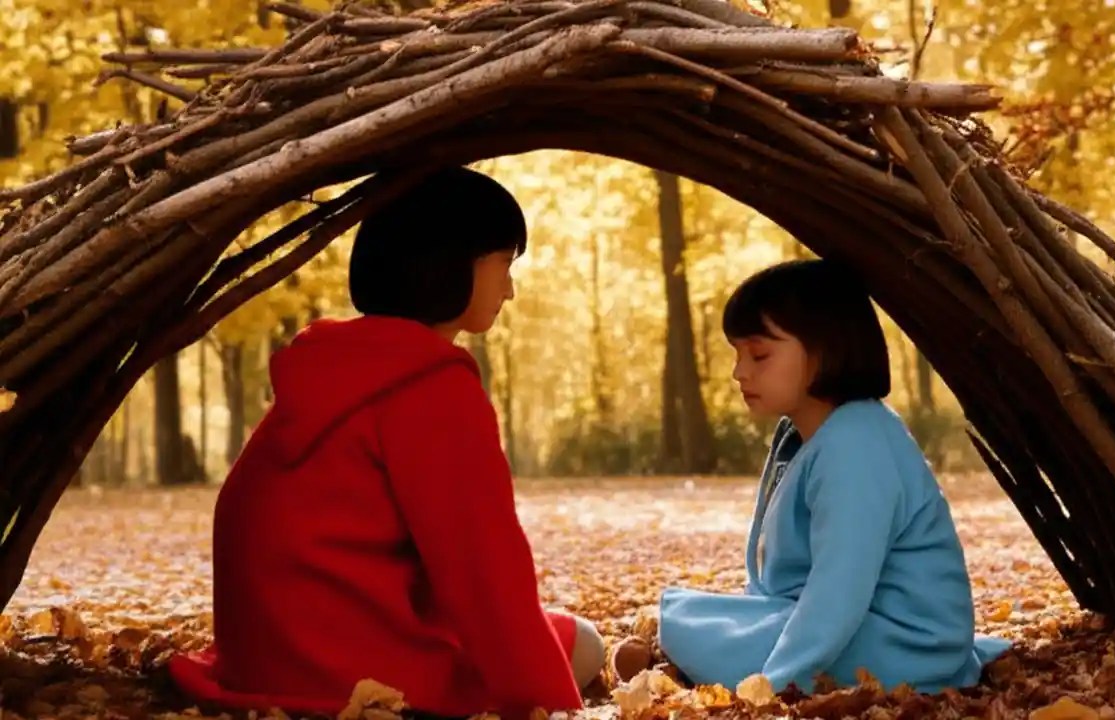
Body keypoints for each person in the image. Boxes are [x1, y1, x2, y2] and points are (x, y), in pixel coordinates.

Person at [168, 166, 605, 718]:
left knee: (557, 634)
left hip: (267, 660)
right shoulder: (432, 387)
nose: (511, 290)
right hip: (359, 674)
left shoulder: (327, 370)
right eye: (503, 265)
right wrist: (548, 704)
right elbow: (484, 576)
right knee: (585, 643)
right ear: (454, 262)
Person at [609, 258, 1010, 695]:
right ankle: (687, 656)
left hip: (906, 643)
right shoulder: (805, 433)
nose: (740, 372)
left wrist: (774, 687)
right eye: (738, 354)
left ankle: (685, 663)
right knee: (699, 613)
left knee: (716, 628)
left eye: (759, 354)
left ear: (826, 349)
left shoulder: (857, 442)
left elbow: (839, 592)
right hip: (857, 621)